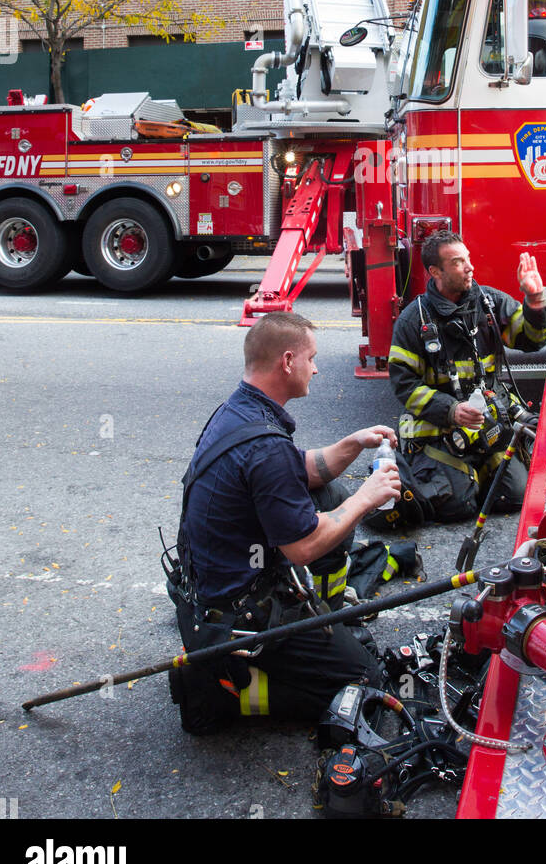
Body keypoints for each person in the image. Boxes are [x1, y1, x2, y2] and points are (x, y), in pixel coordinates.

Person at [167, 311, 401, 734]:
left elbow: (304, 469)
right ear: (288, 361)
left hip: (210, 586)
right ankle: (219, 695)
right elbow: (304, 546)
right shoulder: (264, 446)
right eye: (311, 358)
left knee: (330, 496)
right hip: (239, 615)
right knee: (366, 683)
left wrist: (353, 442)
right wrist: (367, 499)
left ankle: (323, 616)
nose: (316, 367)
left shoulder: (238, 411)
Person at [387, 231, 546, 522]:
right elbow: (405, 384)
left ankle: (474, 472)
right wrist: (450, 410)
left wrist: (536, 300)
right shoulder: (414, 320)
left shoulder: (489, 303)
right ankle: (455, 475)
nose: (469, 267)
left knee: (513, 497)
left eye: (469, 259)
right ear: (435, 272)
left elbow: (533, 340)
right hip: (441, 429)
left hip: (489, 425)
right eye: (458, 262)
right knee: (455, 507)